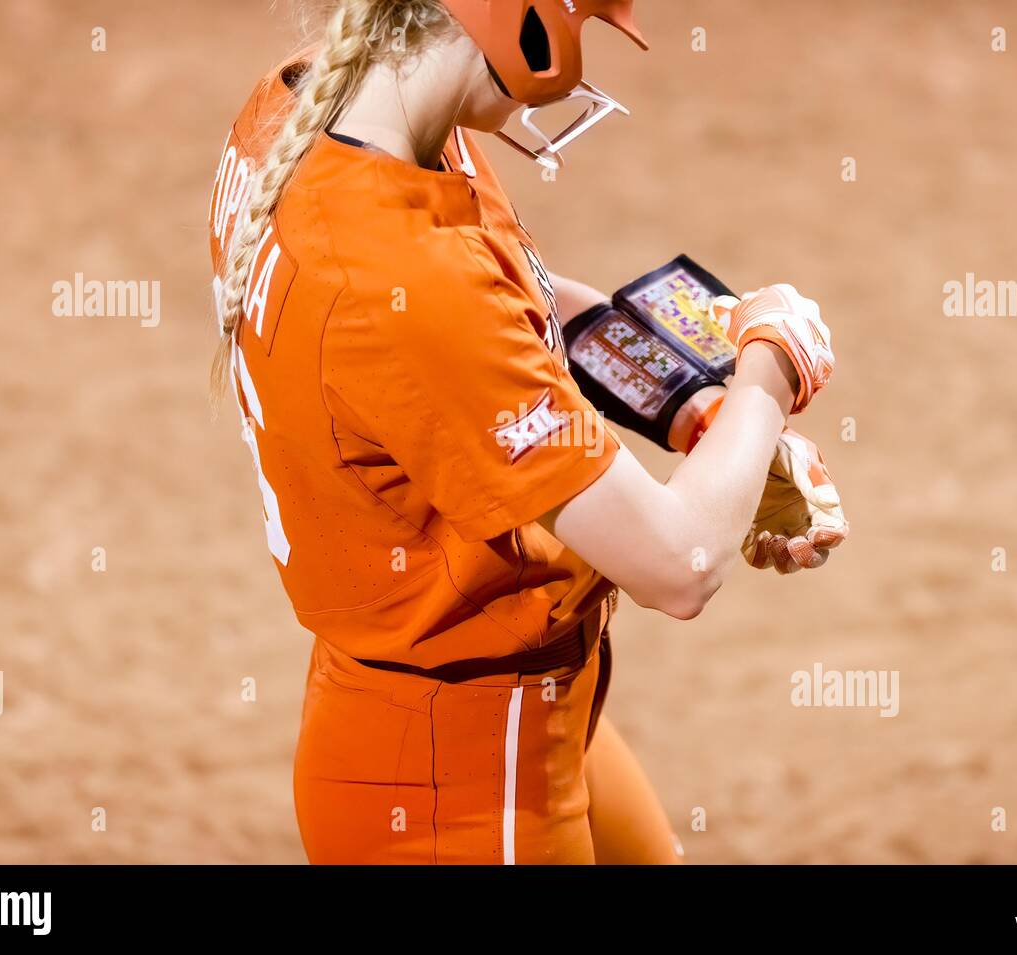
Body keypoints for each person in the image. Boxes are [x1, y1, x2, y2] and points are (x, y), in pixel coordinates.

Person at [207, 0, 845, 864]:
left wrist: (702, 413)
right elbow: (681, 564)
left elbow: (518, 318)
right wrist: (773, 363)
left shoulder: (333, 110)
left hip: (510, 711)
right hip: (452, 782)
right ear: (526, 22)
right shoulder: (403, 275)